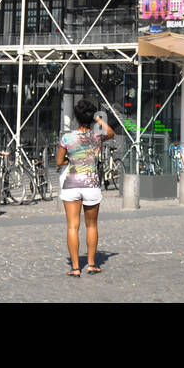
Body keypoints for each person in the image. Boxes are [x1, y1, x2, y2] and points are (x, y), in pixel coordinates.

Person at [57, 99, 116, 276]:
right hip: (91, 184)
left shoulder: (67, 138)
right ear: (91, 118)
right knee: (92, 226)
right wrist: (98, 120)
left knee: (72, 226)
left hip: (72, 183)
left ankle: (75, 268)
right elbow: (111, 133)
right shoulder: (96, 136)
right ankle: (91, 264)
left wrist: (71, 160)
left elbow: (59, 161)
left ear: (75, 117)